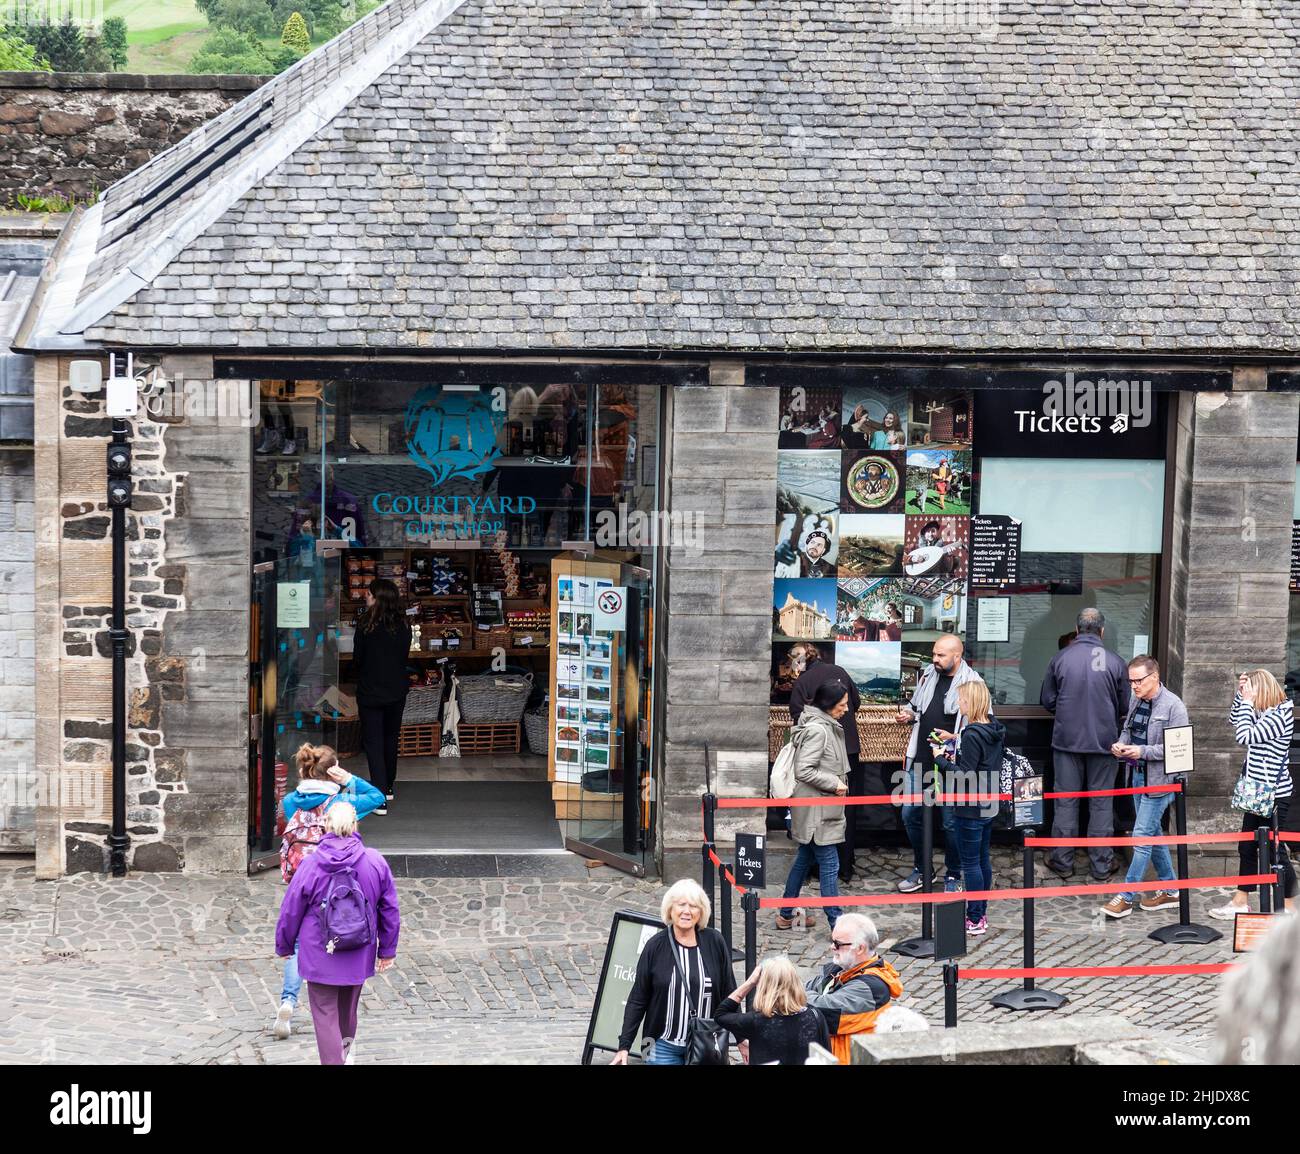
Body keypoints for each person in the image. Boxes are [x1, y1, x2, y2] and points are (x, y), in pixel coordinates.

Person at [273, 742, 386, 1040]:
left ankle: (287, 1000)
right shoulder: (342, 805)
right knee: (339, 928)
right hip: (338, 880)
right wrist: (349, 780)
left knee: (300, 943)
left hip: (302, 876)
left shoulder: (290, 801)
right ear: (332, 771)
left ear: (303, 769)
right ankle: (339, 990)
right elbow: (377, 797)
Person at [274, 802, 400, 1065]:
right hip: (359, 948)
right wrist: (387, 950)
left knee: (324, 1012)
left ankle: (335, 1061)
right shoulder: (375, 861)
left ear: (326, 826)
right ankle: (345, 1053)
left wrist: (285, 945)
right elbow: (389, 908)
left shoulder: (311, 865)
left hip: (320, 950)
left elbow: (291, 909)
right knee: (348, 1009)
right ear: (355, 824)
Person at [1038, 608, 1130, 879]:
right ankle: (1101, 865)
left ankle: (1063, 862)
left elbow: (1048, 700)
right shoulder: (1115, 661)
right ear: (1101, 631)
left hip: (1067, 741)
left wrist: (1068, 712)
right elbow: (1125, 705)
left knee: (1065, 802)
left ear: (1077, 630)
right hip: (1105, 743)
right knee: (1102, 804)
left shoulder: (1061, 657)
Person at [1100, 657, 1191, 919]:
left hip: (1162, 781)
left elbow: (1176, 750)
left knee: (1141, 836)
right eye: (1131, 681)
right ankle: (1170, 889)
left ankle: (1126, 897)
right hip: (1137, 775)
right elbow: (1129, 730)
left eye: (1138, 680)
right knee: (1152, 833)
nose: (1134, 686)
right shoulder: (1136, 700)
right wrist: (1121, 744)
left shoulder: (1174, 706)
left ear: (1154, 677)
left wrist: (1141, 751)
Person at [613, 879, 737, 1065]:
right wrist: (624, 1046)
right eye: (681, 905)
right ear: (670, 909)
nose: (687, 911)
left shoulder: (715, 941)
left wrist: (742, 1039)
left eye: (694, 906)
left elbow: (730, 993)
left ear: (701, 912)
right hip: (659, 1045)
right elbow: (638, 998)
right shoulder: (655, 946)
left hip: (706, 1044)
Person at [894, 634, 982, 892]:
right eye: (934, 654)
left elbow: (983, 727)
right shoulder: (928, 677)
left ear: (957, 656)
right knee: (910, 814)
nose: (935, 659)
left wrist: (955, 737)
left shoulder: (973, 683)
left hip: (950, 766)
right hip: (920, 759)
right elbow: (916, 707)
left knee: (950, 822)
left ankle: (954, 873)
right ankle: (923, 869)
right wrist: (908, 715)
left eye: (940, 655)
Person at [1208, 669, 1296, 920]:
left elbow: (1245, 735)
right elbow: (1235, 720)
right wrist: (1240, 696)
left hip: (1275, 796)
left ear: (1263, 690)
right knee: (1246, 846)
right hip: (1256, 793)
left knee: (1276, 853)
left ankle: (1290, 908)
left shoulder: (1280, 715)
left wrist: (1247, 702)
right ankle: (1240, 900)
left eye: (1250, 691)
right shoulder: (1263, 710)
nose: (1248, 696)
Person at [778, 681, 852, 928]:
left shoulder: (822, 725)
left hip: (819, 810)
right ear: (829, 705)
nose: (846, 709)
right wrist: (834, 783)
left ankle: (785, 914)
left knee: (803, 860)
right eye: (842, 705)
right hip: (819, 812)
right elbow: (804, 770)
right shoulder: (820, 731)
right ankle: (838, 925)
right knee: (830, 865)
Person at [789, 643, 863, 882]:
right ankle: (845, 865)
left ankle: (820, 868)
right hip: (847, 748)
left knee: (819, 811)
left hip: (821, 753)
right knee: (846, 810)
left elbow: (797, 716)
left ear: (798, 661)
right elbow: (857, 702)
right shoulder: (840, 671)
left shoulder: (802, 682)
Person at [935, 680, 1005, 935]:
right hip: (988, 802)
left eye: (962, 699)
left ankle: (974, 918)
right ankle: (981, 913)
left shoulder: (972, 733)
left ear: (971, 702)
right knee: (983, 860)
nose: (958, 703)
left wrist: (940, 760)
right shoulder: (994, 729)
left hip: (970, 805)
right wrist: (955, 738)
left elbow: (964, 775)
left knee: (971, 864)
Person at [804, 913, 903, 1064]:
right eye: (832, 941)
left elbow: (821, 1010)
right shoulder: (839, 968)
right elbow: (807, 989)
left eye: (837, 944)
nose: (832, 947)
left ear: (860, 948)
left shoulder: (870, 988)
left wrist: (789, 992)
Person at [353, 577, 411, 809]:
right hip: (396, 690)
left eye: (369, 594)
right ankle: (387, 786)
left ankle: (378, 797)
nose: (365, 596)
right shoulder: (403, 625)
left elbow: (358, 659)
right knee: (390, 738)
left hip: (370, 691)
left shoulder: (366, 625)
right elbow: (404, 657)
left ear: (377, 598)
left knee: (373, 742)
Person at [715, 957, 831, 1065]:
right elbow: (826, 1057)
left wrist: (750, 983)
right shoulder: (815, 1016)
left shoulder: (756, 1021)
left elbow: (721, 1014)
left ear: (763, 987)